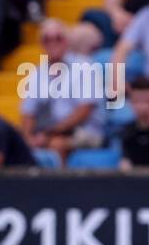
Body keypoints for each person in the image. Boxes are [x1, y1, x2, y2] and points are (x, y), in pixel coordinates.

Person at [20, 20, 104, 163]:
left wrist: (49, 133)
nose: (52, 43)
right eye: (47, 39)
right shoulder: (38, 72)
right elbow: (28, 112)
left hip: (87, 131)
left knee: (56, 145)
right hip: (49, 132)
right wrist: (28, 138)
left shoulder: (84, 65)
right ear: (42, 44)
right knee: (19, 143)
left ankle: (58, 185)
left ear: (67, 41)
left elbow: (84, 110)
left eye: (58, 38)